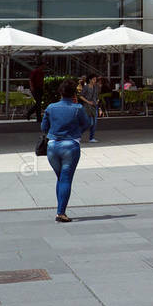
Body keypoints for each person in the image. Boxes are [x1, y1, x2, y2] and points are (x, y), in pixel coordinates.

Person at [40, 79, 91, 223]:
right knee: (66, 178)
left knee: (61, 178)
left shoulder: (51, 107)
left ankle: (59, 209)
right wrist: (77, 132)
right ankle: (61, 212)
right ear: (73, 93)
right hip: (71, 146)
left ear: (60, 93)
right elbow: (87, 123)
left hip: (53, 146)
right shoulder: (78, 108)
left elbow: (44, 127)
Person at [79, 74, 101, 143]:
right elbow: (81, 96)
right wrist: (88, 102)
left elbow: (97, 96)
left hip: (94, 106)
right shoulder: (86, 87)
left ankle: (91, 138)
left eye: (95, 79)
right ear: (90, 80)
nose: (95, 80)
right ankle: (78, 134)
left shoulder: (96, 87)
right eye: (94, 79)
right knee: (89, 123)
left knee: (94, 123)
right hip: (87, 107)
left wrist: (97, 101)